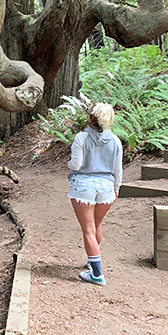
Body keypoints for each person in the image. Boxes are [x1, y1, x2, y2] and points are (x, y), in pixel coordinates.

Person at [67, 102, 123, 286]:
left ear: (90, 118)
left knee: (88, 230)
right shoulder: (115, 141)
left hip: (84, 188)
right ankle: (93, 260)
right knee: (97, 225)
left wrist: (68, 165)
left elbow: (76, 165)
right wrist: (116, 189)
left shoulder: (81, 138)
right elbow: (118, 170)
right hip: (107, 188)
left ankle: (97, 274)